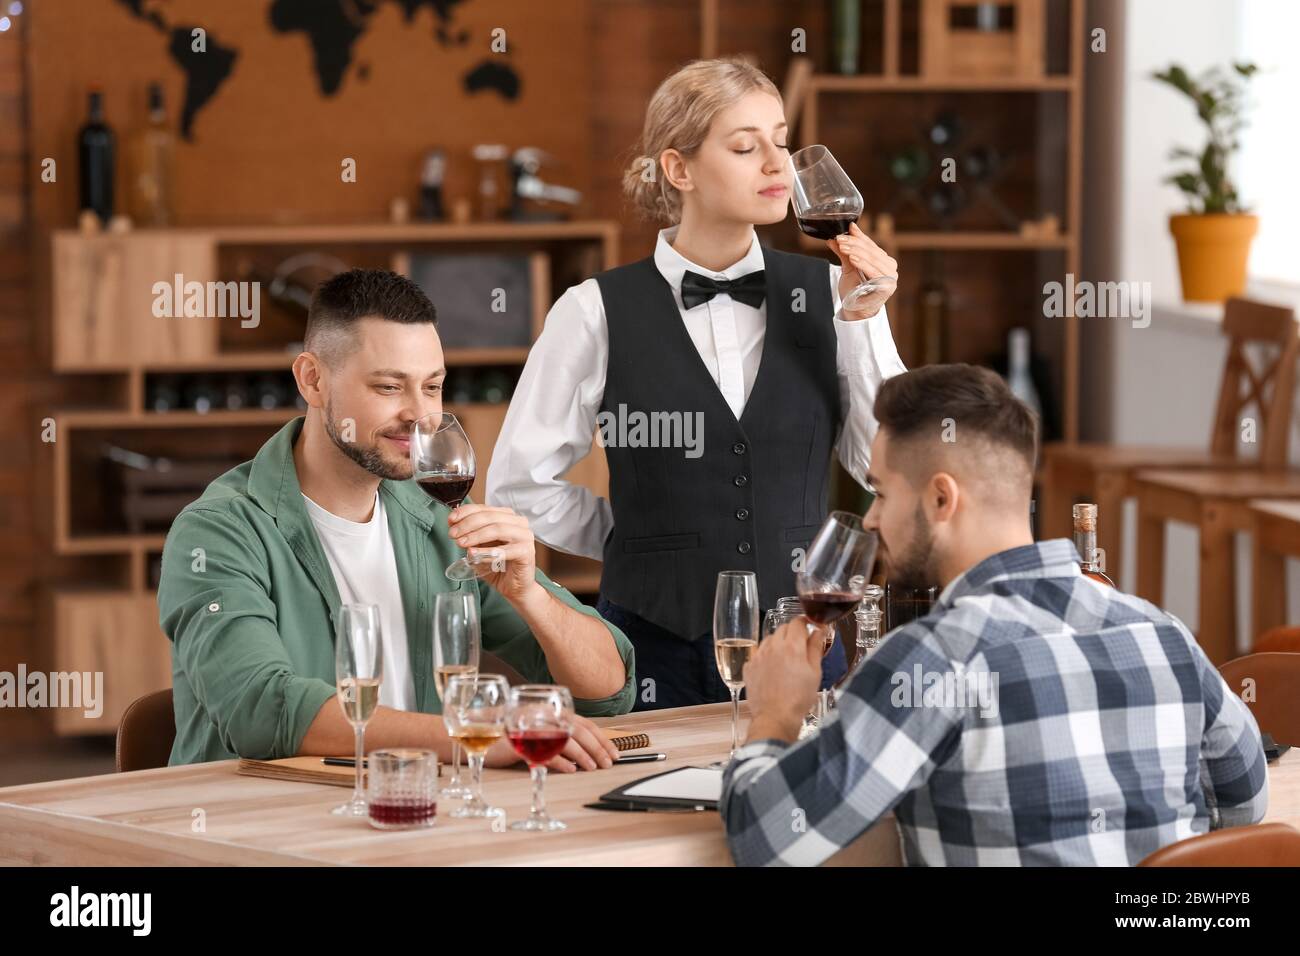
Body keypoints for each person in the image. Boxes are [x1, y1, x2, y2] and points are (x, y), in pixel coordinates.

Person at [721, 363, 1268, 866]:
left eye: (882, 494)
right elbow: (1247, 803)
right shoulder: (1162, 633)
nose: (870, 522)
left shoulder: (929, 661)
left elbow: (765, 839)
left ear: (941, 500)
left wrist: (774, 716)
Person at [487, 56, 906, 711]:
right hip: (649, 648)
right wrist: (641, 539)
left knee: (796, 807)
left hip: (805, 643)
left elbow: (890, 466)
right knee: (657, 814)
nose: (777, 164)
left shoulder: (830, 293)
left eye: (782, 139)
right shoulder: (592, 310)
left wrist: (866, 320)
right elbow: (519, 484)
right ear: (678, 170)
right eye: (745, 146)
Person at [158, 269, 635, 769]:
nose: (419, 414)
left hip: (412, 813)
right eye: (389, 386)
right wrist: (473, 733)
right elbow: (259, 711)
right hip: (252, 828)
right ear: (312, 380)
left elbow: (607, 691)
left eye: (432, 387)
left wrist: (529, 596)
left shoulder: (439, 516)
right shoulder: (219, 531)